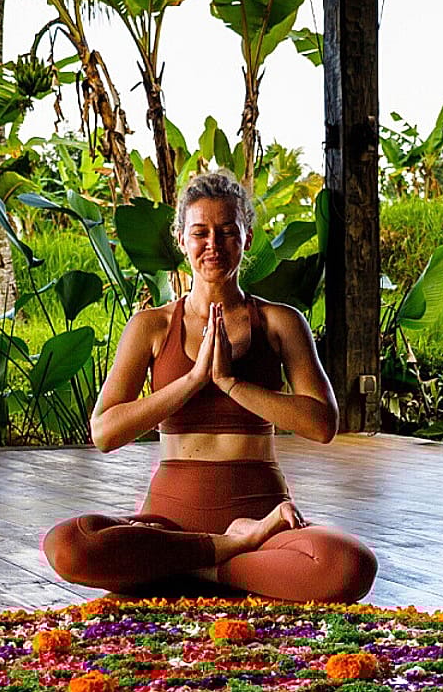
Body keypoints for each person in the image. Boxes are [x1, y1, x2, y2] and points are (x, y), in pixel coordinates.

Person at [43, 171, 377, 602]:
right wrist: (192, 379)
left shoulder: (280, 322)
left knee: (348, 565)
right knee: (69, 546)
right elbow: (105, 432)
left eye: (227, 232)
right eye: (200, 233)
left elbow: (321, 424)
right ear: (181, 240)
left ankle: (186, 568)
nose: (213, 246)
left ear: (247, 238)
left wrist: (230, 384)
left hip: (263, 515)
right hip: (169, 521)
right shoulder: (152, 326)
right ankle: (225, 555)